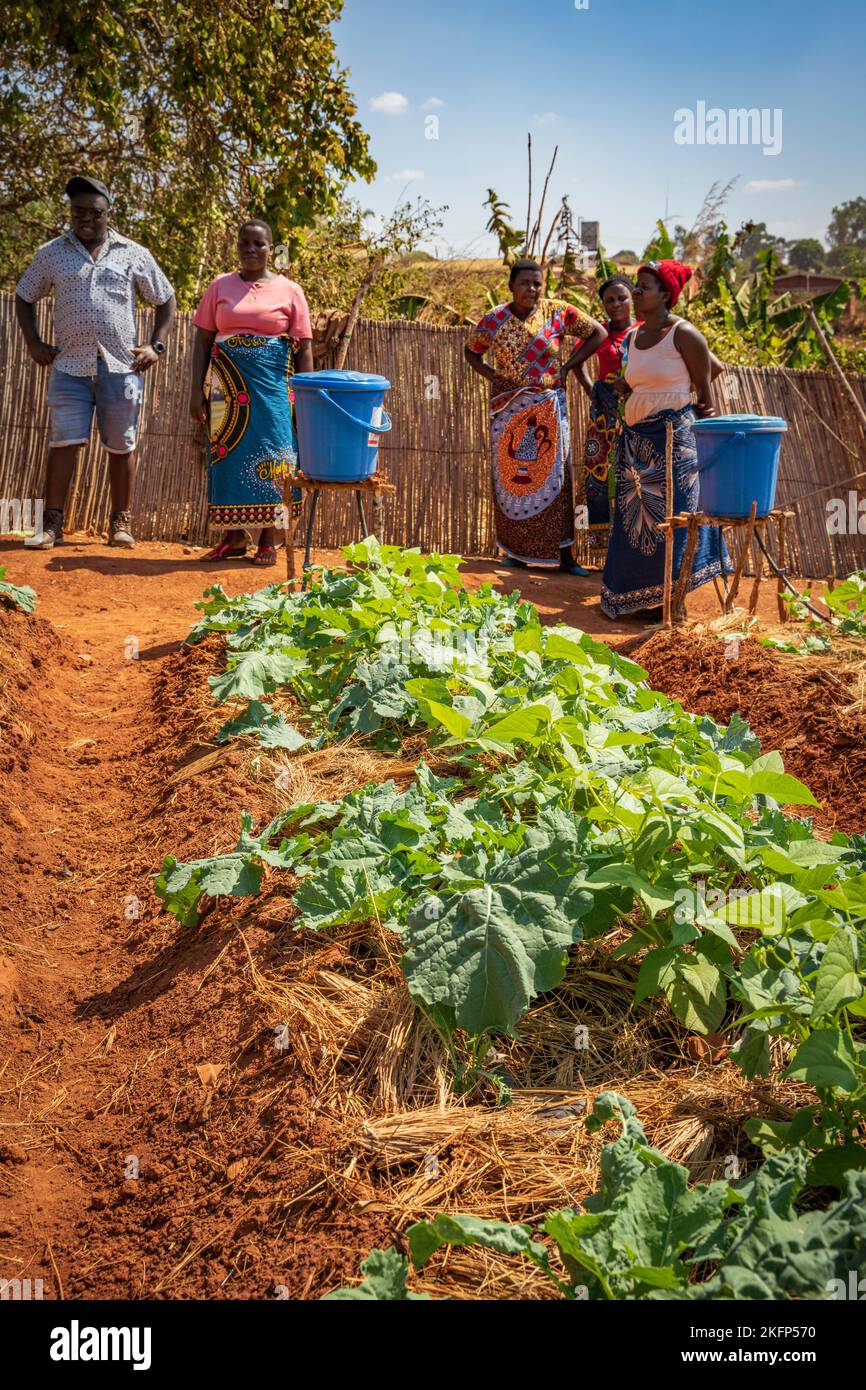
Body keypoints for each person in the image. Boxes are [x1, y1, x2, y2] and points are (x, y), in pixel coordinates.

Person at [15, 175, 176, 549]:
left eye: (94, 212)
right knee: (63, 444)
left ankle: (120, 524)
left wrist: (157, 346)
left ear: (108, 213)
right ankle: (52, 526)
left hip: (120, 367)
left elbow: (165, 298)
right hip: (69, 365)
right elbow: (25, 296)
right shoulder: (51, 253)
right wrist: (33, 342)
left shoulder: (132, 253)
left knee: (121, 447)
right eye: (79, 211)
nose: (86, 218)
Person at [600, 259, 729, 620]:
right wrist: (629, 385)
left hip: (673, 441)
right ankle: (636, 598)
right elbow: (640, 375)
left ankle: (671, 603)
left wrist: (703, 442)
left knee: (671, 519)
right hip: (636, 443)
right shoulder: (633, 335)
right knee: (636, 522)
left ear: (666, 294)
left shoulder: (684, 334)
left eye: (644, 287)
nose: (636, 292)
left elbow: (707, 394)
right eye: (637, 286)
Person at [464, 260, 606, 574]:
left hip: (548, 405)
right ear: (511, 286)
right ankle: (514, 552)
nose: (532, 289)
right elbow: (471, 350)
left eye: (537, 283)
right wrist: (492, 375)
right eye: (526, 283)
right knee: (512, 480)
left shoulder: (559, 312)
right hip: (508, 411)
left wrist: (569, 365)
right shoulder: (494, 319)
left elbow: (598, 333)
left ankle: (565, 556)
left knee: (556, 478)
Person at [190, 220, 314, 566]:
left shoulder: (291, 290)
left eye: (259, 244)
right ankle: (232, 539)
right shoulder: (219, 286)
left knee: (279, 456)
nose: (250, 249)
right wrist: (195, 391)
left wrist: (306, 398)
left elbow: (303, 348)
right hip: (224, 387)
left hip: (273, 385)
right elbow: (201, 342)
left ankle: (269, 540)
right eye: (244, 243)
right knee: (225, 456)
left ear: (271, 249)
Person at [574, 274, 637, 568]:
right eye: (609, 300)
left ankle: (634, 553)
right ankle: (601, 557)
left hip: (638, 415)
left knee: (636, 481)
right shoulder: (598, 333)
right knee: (597, 480)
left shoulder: (646, 331)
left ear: (633, 297)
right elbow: (577, 362)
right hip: (603, 418)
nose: (616, 304)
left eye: (621, 298)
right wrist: (592, 390)